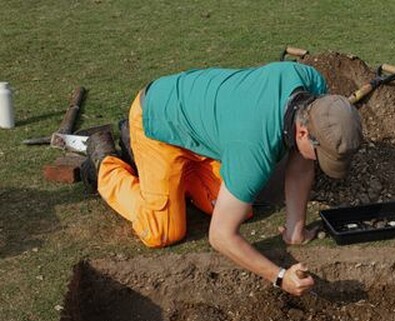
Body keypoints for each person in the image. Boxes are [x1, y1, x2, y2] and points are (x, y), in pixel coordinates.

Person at [83, 61, 363, 297]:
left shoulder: (313, 89)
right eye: (321, 155)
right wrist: (280, 277)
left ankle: (154, 163)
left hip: (200, 132)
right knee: (162, 231)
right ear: (302, 132)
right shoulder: (253, 148)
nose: (319, 161)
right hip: (156, 118)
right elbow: (219, 236)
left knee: (239, 207)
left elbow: (301, 164)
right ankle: (106, 162)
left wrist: (295, 231)